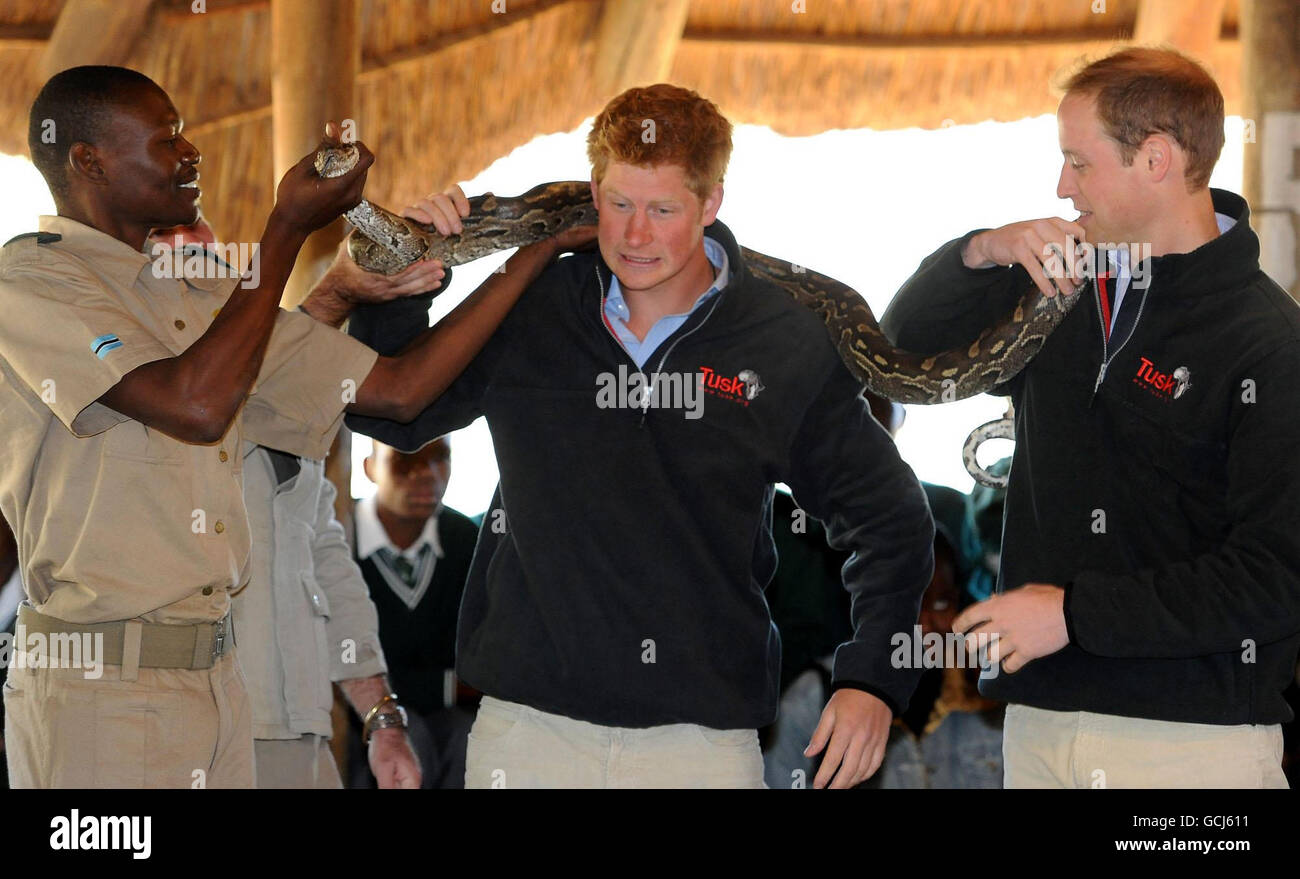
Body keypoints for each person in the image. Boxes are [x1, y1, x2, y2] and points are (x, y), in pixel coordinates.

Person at [328, 84, 935, 789]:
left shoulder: (781, 340)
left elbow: (891, 520)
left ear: (711, 205)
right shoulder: (530, 305)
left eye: (663, 209)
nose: (635, 234)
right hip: (525, 737)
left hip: (701, 748)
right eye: (618, 204)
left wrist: (872, 679)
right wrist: (408, 280)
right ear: (592, 189)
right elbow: (394, 412)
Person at [0, 65, 565, 788]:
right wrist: (288, 226)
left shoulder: (208, 295)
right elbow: (197, 405)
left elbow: (400, 391)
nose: (191, 153)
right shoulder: (35, 282)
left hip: (221, 688)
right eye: (168, 138)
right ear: (88, 161)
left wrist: (532, 255)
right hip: (99, 690)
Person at [881, 47, 1300, 788]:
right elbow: (902, 356)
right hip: (1038, 724)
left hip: (1194, 745)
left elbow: (1276, 578)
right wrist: (979, 252)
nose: (1060, 186)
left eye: (1079, 163)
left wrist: (1075, 613)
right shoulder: (1058, 291)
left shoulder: (1267, 339)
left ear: (1157, 160)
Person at [148, 217, 429, 789]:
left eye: (201, 230)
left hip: (297, 728)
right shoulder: (144, 385)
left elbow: (326, 564)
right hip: (193, 735)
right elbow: (249, 398)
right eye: (167, 237)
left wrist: (382, 720)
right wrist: (336, 290)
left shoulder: (289, 409)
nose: (196, 243)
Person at [347, 437, 481, 789]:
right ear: (370, 468)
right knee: (406, 741)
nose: (426, 474)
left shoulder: (465, 539)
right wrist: (446, 685)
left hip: (447, 716)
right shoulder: (341, 538)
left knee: (468, 741)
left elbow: (479, 649)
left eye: (440, 458)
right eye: (405, 461)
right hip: (358, 715)